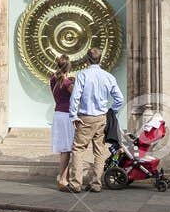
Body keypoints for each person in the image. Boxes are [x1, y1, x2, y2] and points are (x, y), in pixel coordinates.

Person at [66, 45, 123, 193]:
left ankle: (75, 184)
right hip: (101, 118)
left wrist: (73, 115)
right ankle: (96, 184)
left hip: (85, 118)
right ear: (100, 59)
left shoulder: (82, 75)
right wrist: (112, 111)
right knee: (99, 152)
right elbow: (119, 99)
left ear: (87, 59)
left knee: (78, 149)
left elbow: (75, 97)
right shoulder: (108, 77)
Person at [48, 54, 75, 189]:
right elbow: (76, 98)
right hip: (66, 116)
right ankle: (63, 179)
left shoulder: (53, 79)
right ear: (68, 67)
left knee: (64, 149)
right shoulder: (67, 83)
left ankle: (65, 177)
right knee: (66, 149)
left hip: (58, 114)